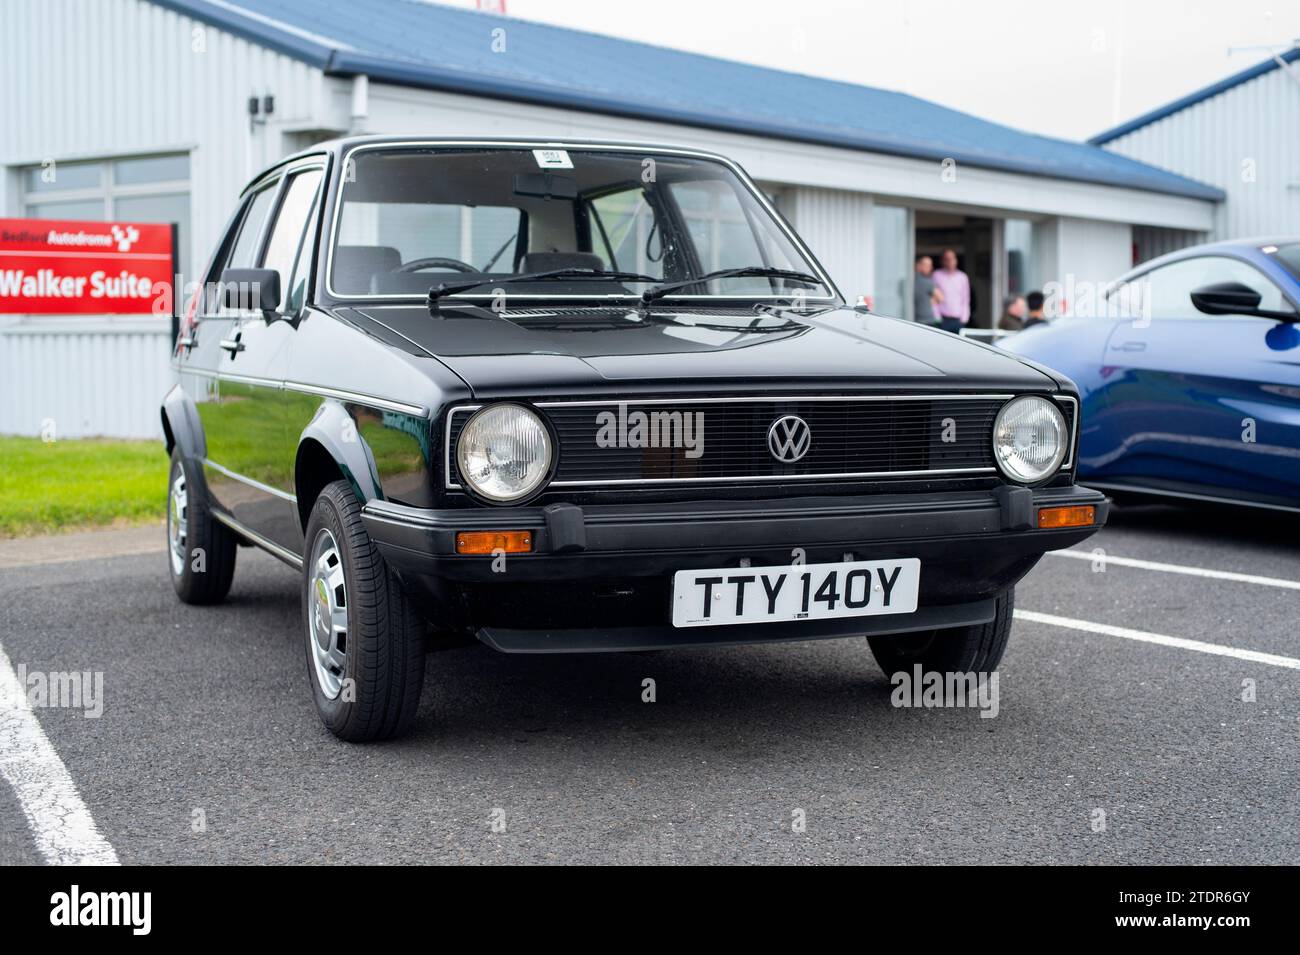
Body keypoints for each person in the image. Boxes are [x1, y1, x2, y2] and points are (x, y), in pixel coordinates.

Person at [931, 248, 970, 333]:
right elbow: (933, 298)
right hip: (943, 319)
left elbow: (965, 298)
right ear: (942, 261)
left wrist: (964, 318)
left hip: (958, 320)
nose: (950, 261)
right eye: (947, 259)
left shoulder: (962, 277)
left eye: (952, 258)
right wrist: (937, 318)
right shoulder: (937, 275)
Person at [912, 254, 941, 325]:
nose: (930, 268)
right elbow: (940, 298)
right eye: (927, 265)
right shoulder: (927, 282)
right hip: (925, 321)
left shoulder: (927, 281)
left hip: (919, 320)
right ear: (918, 265)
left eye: (930, 265)